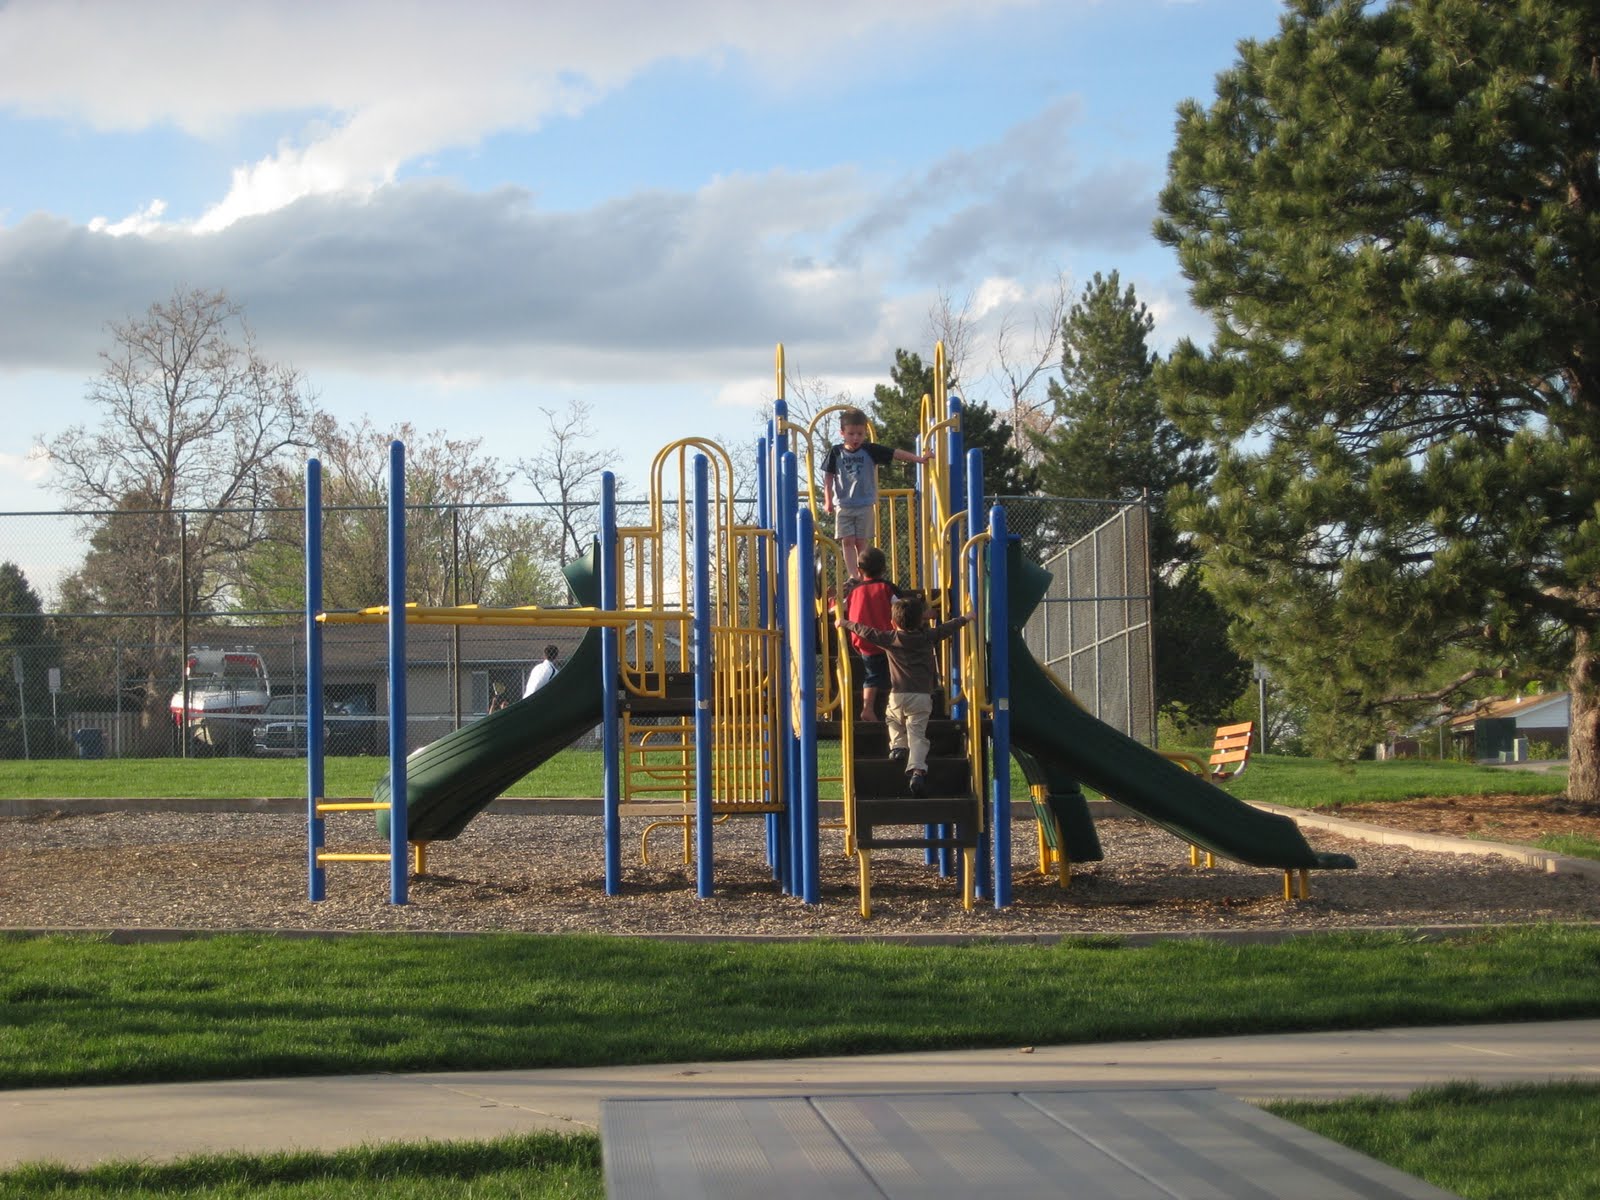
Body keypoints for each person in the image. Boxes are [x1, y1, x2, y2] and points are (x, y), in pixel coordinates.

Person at [838, 592, 973, 797]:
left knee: (892, 719)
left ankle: (898, 746)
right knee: (917, 734)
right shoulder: (928, 637)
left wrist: (844, 622)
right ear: (921, 621)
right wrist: (966, 618)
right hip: (922, 696)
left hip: (898, 695)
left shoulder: (890, 638)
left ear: (893, 622)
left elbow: (866, 631)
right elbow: (947, 628)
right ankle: (917, 770)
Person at [820, 407, 930, 580]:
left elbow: (895, 453)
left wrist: (919, 459)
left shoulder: (869, 450)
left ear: (865, 433)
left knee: (861, 542)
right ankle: (853, 575)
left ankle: (865, 574)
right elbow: (828, 478)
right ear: (842, 433)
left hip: (865, 504)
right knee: (847, 541)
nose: (856, 438)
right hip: (844, 505)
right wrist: (828, 501)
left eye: (860, 434)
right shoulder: (836, 452)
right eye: (851, 434)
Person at [841, 546, 901, 722]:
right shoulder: (887, 587)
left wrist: (831, 607)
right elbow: (901, 607)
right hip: (888, 641)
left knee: (872, 675)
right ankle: (897, 708)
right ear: (884, 569)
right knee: (896, 674)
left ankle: (867, 708)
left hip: (864, 642)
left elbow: (841, 607)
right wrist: (925, 613)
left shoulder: (853, 591)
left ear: (859, 570)